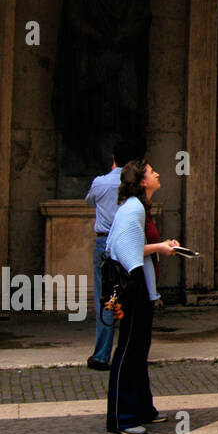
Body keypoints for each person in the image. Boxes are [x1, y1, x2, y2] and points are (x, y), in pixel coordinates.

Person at [104, 159, 178, 434]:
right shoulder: (134, 208)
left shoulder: (138, 207)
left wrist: (162, 246)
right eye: (152, 171)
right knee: (129, 349)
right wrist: (160, 247)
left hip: (140, 286)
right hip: (133, 286)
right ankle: (120, 418)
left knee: (138, 348)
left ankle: (142, 408)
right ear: (142, 181)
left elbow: (130, 244)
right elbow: (123, 247)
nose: (158, 172)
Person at [84, 142, 134, 370]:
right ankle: (128, 352)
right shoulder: (132, 184)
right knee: (130, 297)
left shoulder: (101, 182)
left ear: (114, 158)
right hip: (129, 242)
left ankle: (102, 355)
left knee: (106, 298)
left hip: (105, 242)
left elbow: (89, 201)